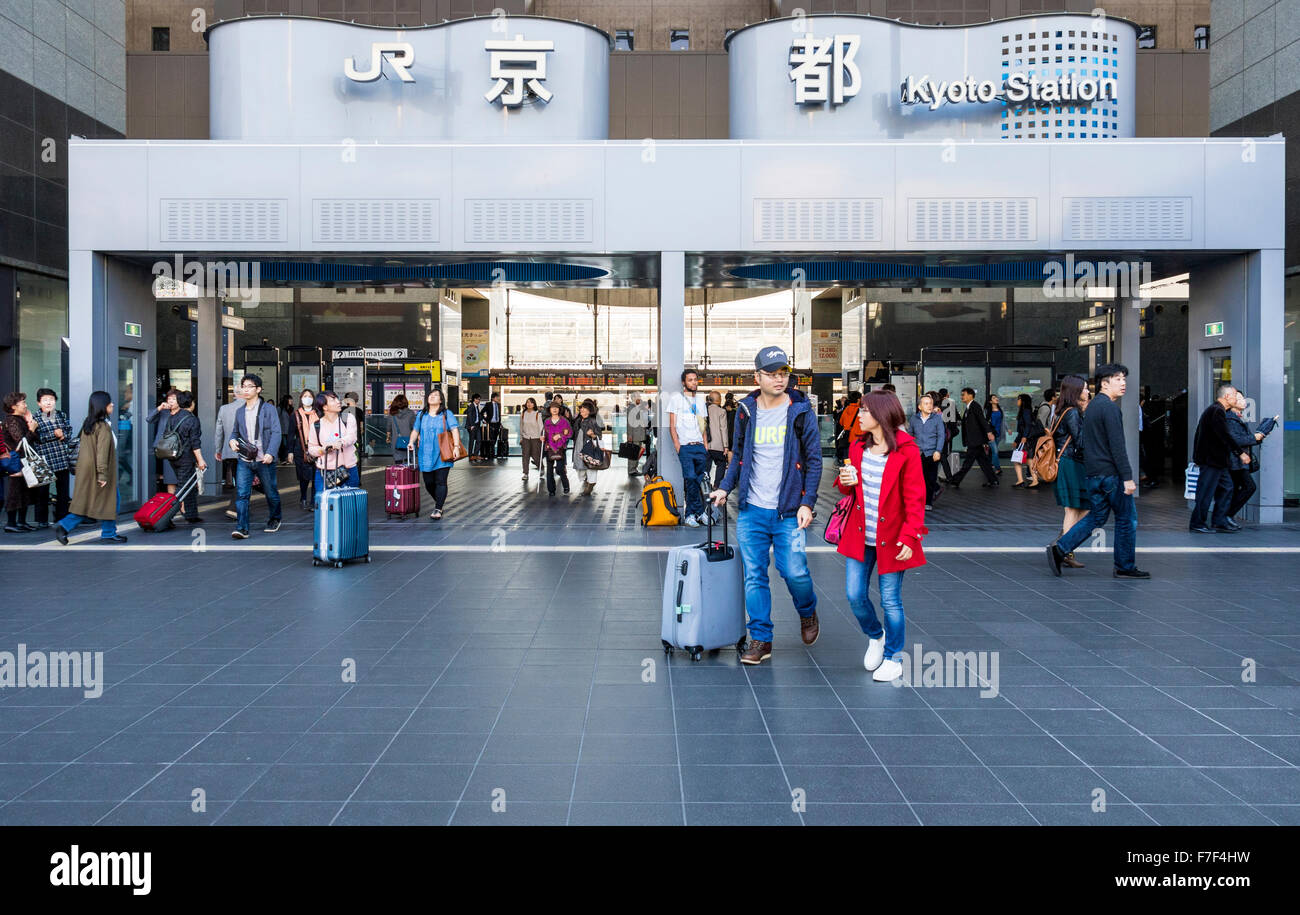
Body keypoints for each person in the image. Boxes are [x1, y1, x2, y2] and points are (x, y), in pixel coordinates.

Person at [710, 346, 822, 666]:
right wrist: (724, 488)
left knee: (794, 571)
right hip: (752, 509)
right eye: (771, 373)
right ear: (756, 376)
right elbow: (739, 456)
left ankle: (807, 611)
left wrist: (807, 502)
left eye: (783, 373)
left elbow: (814, 461)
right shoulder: (746, 410)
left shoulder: (800, 409)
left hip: (788, 510)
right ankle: (761, 638)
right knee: (755, 575)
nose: (778, 379)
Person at [835, 390, 928, 682]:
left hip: (894, 538)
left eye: (864, 411)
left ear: (881, 414)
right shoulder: (856, 448)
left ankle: (893, 657)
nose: (858, 416)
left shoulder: (906, 450)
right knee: (854, 595)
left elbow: (915, 498)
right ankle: (876, 635)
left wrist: (911, 537)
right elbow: (847, 489)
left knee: (891, 600)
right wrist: (845, 482)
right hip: (860, 535)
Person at [1047, 364, 1149, 579]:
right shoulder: (1110, 408)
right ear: (1104, 383)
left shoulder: (1092, 407)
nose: (1123, 383)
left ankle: (1060, 548)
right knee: (1126, 519)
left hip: (1094, 474)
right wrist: (1128, 478)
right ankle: (1124, 566)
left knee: (1097, 517)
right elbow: (1117, 446)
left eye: (1124, 379)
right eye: (1118, 379)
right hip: (1110, 475)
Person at [54, 391, 126, 544]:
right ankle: (67, 525)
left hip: (86, 469)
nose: (112, 404)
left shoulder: (89, 423)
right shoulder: (103, 426)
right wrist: (102, 474)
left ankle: (106, 531)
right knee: (111, 500)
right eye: (109, 402)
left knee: (89, 501)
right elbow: (102, 452)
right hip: (98, 471)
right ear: (102, 406)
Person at [1188, 384, 1256, 534]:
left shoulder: (1217, 411)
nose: (1237, 398)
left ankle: (1219, 521)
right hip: (1211, 461)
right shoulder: (1216, 411)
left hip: (1218, 461)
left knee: (1227, 488)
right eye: (1234, 395)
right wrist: (1241, 453)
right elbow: (1225, 436)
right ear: (1226, 397)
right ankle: (1197, 523)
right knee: (1206, 492)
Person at [228, 374, 283, 540]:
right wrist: (231, 440)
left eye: (249, 386)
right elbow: (235, 432)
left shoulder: (268, 409)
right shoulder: (239, 411)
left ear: (258, 389)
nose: (245, 389)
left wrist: (271, 453)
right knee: (242, 494)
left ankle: (275, 518)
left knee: (270, 491)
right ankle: (242, 528)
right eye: (243, 386)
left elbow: (276, 432)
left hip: (264, 459)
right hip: (245, 459)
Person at [1048, 375, 1088, 569]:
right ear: (1075, 391)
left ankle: (1062, 544)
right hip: (1071, 463)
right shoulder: (1072, 412)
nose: (1088, 392)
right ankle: (1064, 549)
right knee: (1074, 509)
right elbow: (1080, 442)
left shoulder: (1059, 410)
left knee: (1080, 508)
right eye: (1085, 389)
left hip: (1068, 463)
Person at [1224, 390, 1276, 526]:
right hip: (1236, 460)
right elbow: (1235, 440)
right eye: (1240, 399)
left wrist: (1260, 436)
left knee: (1234, 489)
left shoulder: (1237, 417)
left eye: (1243, 399)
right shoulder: (1230, 418)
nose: (1244, 401)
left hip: (1238, 461)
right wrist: (1255, 437)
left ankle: (1225, 517)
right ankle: (1226, 515)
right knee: (1249, 487)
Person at [409, 388, 461, 521]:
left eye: (436, 395)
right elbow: (415, 430)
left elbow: (454, 429)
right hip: (425, 453)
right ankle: (440, 500)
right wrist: (411, 442)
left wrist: (456, 447)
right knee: (429, 483)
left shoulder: (446, 413)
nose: (432, 396)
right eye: (430, 395)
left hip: (443, 452)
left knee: (441, 481)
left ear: (441, 400)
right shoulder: (421, 414)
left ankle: (438, 508)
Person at [667, 368, 709, 526]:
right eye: (690, 380)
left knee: (699, 481)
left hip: (700, 447)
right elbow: (672, 426)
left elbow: (703, 425)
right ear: (684, 383)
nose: (694, 382)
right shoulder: (676, 399)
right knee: (690, 478)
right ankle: (693, 513)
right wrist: (678, 446)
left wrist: (705, 446)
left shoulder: (700, 400)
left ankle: (697, 513)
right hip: (685, 447)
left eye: (695, 379)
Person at [160, 390, 206, 523]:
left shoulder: (172, 416)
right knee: (183, 488)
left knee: (189, 485)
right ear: (191, 403)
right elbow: (195, 443)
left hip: (173, 457)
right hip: (186, 457)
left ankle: (191, 515)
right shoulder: (191, 419)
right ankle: (164, 516)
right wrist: (200, 460)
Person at [30, 388, 73, 529]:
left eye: (51, 399)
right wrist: (55, 435)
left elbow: (69, 430)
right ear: (39, 403)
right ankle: (41, 520)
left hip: (61, 456)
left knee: (63, 491)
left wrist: (63, 435)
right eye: (45, 400)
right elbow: (36, 438)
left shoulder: (61, 415)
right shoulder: (34, 418)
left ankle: (62, 518)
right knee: (42, 491)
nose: (49, 402)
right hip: (44, 458)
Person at [307, 391, 360, 493]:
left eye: (337, 398)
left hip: (348, 469)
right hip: (324, 471)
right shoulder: (317, 425)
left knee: (349, 504)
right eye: (333, 399)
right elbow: (311, 448)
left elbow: (352, 437)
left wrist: (340, 442)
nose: (338, 401)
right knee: (325, 503)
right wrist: (323, 450)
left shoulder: (348, 418)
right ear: (325, 407)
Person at [2, 392, 39, 532]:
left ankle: (21, 522)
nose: (25, 405)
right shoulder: (11, 420)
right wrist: (32, 429)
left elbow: (34, 439)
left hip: (24, 460)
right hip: (16, 461)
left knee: (25, 490)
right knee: (15, 491)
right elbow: (21, 442)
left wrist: (32, 426)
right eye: (22, 402)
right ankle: (11, 523)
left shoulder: (21, 419)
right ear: (13, 406)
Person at [949, 388, 998, 488]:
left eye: (964, 394)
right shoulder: (968, 407)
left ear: (970, 395)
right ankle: (993, 480)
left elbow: (982, 420)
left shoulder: (975, 406)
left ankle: (955, 480)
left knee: (968, 462)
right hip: (974, 440)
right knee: (984, 462)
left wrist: (989, 432)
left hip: (975, 440)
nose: (962, 396)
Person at [906, 392, 945, 508]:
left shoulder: (937, 418)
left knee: (931, 478)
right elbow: (910, 434)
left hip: (932, 453)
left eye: (931, 404)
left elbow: (941, 435)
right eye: (926, 404)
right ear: (920, 407)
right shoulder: (914, 419)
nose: (929, 406)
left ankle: (928, 502)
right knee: (918, 479)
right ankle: (919, 500)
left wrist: (938, 450)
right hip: (918, 453)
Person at [213, 394, 243, 520]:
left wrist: (218, 449)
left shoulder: (224, 409)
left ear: (235, 394)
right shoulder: (251, 407)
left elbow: (219, 431)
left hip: (230, 450)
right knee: (243, 481)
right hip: (248, 451)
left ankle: (239, 507)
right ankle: (235, 508)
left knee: (239, 478)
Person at [292, 389, 319, 511]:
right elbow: (290, 433)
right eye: (305, 396)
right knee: (303, 477)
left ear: (313, 399)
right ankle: (303, 497)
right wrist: (289, 452)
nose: (307, 398)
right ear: (301, 398)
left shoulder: (318, 414)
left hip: (317, 448)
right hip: (300, 449)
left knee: (315, 476)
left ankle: (313, 501)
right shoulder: (296, 414)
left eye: (309, 396)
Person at [571, 399, 604, 497]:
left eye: (585, 409)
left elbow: (599, 436)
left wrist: (593, 435)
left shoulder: (594, 421)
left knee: (590, 466)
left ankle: (590, 485)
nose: (582, 410)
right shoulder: (577, 420)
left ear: (590, 411)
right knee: (580, 468)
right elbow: (573, 433)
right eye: (581, 408)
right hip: (578, 445)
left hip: (589, 446)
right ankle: (588, 481)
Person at [1011, 392, 1044, 489]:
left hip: (1026, 440)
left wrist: (1024, 438)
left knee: (1023, 460)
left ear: (1022, 401)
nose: (1017, 401)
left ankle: (1030, 480)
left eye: (1018, 399)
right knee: (1024, 460)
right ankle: (1028, 480)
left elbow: (1027, 425)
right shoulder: (1026, 411)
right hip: (1025, 439)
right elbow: (1023, 428)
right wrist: (1017, 439)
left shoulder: (1026, 411)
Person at [542, 401, 572, 496]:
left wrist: (560, 435)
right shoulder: (546, 421)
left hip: (560, 448)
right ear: (549, 410)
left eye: (556, 407)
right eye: (552, 408)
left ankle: (566, 485)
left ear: (559, 409)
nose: (554, 409)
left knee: (560, 469)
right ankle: (551, 490)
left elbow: (570, 433)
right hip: (549, 448)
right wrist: (542, 437)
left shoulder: (564, 421)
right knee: (549, 471)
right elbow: (543, 433)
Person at [705, 390, 731, 489]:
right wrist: (725, 446)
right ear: (719, 400)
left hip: (706, 444)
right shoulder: (722, 411)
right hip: (718, 445)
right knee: (721, 463)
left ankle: (706, 485)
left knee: (706, 466)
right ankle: (717, 485)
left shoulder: (704, 410)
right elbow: (723, 429)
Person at [519, 397, 543, 484]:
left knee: (535, 456)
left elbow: (541, 426)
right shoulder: (523, 414)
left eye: (531, 403)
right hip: (526, 437)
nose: (529, 404)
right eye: (527, 402)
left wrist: (541, 436)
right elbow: (521, 426)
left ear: (534, 404)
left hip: (535, 438)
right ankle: (525, 473)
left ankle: (541, 467)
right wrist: (521, 437)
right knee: (525, 456)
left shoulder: (537, 414)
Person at [937, 388, 958, 482]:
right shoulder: (950, 403)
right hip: (946, 434)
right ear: (947, 394)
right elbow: (953, 420)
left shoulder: (937, 405)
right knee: (944, 455)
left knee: (942, 455)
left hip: (940, 434)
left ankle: (946, 476)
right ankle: (948, 476)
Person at [625, 393, 649, 477]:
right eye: (639, 397)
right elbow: (629, 423)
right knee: (633, 452)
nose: (640, 398)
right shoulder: (631, 408)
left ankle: (634, 468)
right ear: (634, 398)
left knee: (636, 452)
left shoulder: (636, 407)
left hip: (638, 434)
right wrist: (630, 435)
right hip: (634, 435)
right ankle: (631, 470)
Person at [836, 391, 861, 463]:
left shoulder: (846, 409)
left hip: (846, 438)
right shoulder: (861, 410)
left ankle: (846, 472)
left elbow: (841, 422)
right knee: (856, 461)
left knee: (847, 459)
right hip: (857, 439)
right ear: (858, 400)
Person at [986, 394, 1004, 474]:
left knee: (992, 451)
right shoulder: (987, 411)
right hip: (991, 434)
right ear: (990, 401)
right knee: (995, 451)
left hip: (998, 434)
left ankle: (988, 466)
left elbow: (1002, 422)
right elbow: (985, 423)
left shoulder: (1000, 410)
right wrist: (987, 433)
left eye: (996, 397)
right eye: (994, 398)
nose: (996, 398)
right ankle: (998, 468)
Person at [465, 393, 485, 463]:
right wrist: (471, 425)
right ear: (475, 399)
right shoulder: (471, 406)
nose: (479, 401)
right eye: (478, 399)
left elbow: (478, 415)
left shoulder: (476, 406)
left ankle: (475, 455)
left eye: (479, 399)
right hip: (472, 426)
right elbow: (469, 415)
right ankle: (470, 456)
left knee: (479, 440)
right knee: (472, 441)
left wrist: (483, 419)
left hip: (477, 426)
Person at [483, 392, 503, 460]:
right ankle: (491, 454)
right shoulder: (488, 404)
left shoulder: (499, 404)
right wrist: (485, 420)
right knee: (491, 439)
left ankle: (492, 453)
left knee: (495, 438)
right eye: (497, 397)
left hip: (497, 424)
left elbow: (499, 415)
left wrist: (500, 423)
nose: (498, 398)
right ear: (493, 398)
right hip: (491, 424)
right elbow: (482, 412)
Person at [277, 394, 295, 463]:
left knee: (289, 444)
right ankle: (283, 459)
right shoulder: (280, 409)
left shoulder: (291, 409)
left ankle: (288, 458)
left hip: (290, 430)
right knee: (283, 445)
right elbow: (276, 419)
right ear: (286, 400)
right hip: (282, 430)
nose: (291, 401)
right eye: (290, 399)